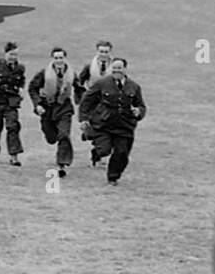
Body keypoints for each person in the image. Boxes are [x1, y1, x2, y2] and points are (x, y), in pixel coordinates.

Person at [78, 57, 147, 185]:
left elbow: (141, 106)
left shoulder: (134, 86)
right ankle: (92, 136)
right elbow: (86, 100)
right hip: (104, 124)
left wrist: (139, 112)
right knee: (104, 150)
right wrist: (83, 119)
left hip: (124, 126)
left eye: (119, 68)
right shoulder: (102, 83)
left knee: (122, 154)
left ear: (125, 69)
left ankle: (113, 177)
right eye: (114, 68)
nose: (116, 71)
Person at [29, 47, 75, 178]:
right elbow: (32, 88)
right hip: (47, 108)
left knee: (64, 134)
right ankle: (52, 136)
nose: (59, 60)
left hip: (64, 108)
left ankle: (62, 164)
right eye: (56, 58)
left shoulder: (71, 74)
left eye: (61, 58)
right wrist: (37, 104)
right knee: (51, 138)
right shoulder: (43, 73)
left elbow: (79, 87)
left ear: (65, 59)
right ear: (52, 59)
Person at [73, 39, 114, 105]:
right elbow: (80, 83)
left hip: (110, 100)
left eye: (106, 52)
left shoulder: (116, 66)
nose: (103, 54)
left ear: (110, 52)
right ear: (97, 51)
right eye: (101, 51)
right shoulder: (89, 66)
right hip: (93, 99)